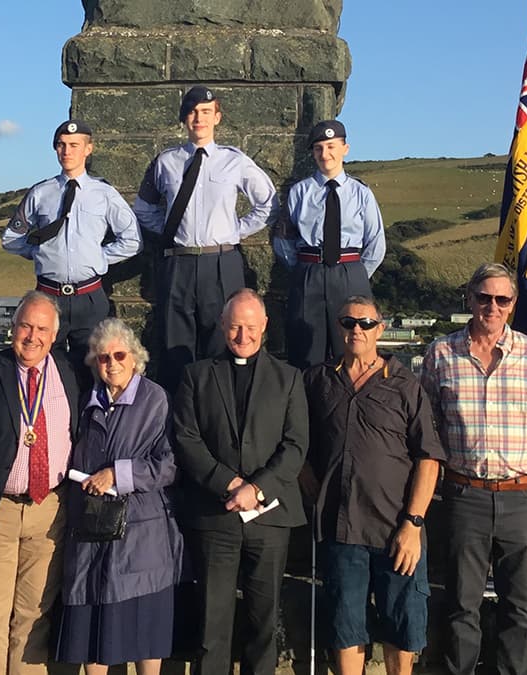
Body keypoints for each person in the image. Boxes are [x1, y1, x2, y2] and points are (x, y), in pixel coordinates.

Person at [420, 263, 527, 675]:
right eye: (484, 297)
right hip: (466, 495)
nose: (492, 307)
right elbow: (430, 424)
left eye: (502, 299)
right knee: (462, 605)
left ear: (513, 304)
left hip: (521, 497)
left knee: (520, 606)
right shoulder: (441, 354)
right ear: (470, 298)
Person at [303, 296, 444, 675]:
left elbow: (428, 458)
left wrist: (413, 524)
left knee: (402, 627)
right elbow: (295, 438)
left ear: (380, 328)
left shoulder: (405, 385)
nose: (357, 330)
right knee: (345, 627)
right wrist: (306, 479)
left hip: (396, 528)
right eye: (349, 322)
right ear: (339, 327)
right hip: (341, 527)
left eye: (366, 323)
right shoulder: (317, 380)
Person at [172, 288, 308, 675]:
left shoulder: (288, 378)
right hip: (214, 516)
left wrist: (257, 488)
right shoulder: (196, 375)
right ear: (222, 326)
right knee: (211, 625)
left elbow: (296, 445)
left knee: (263, 624)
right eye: (234, 327)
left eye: (250, 327)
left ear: (264, 326)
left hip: (270, 518)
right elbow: (186, 438)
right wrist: (229, 483)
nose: (242, 335)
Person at [0, 290, 82, 675]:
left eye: (42, 329)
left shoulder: (72, 372)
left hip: (50, 510)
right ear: (13, 328)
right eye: (25, 326)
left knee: (34, 616)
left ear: (54, 335)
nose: (32, 336)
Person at [55, 318, 183, 675]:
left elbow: (169, 465)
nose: (111, 363)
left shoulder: (156, 399)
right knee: (93, 634)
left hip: (141, 535)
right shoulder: (86, 401)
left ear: (135, 357)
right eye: (103, 357)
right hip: (91, 533)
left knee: (145, 636)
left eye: (119, 355)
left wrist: (117, 474)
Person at [134, 85, 279, 390]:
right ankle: (178, 413)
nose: (199, 118)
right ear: (184, 118)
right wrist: (170, 231)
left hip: (221, 262)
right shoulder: (166, 162)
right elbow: (144, 208)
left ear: (217, 117)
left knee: (223, 343)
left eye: (205, 112)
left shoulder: (234, 161)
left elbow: (268, 204)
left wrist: (234, 231)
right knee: (175, 346)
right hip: (179, 262)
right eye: (192, 112)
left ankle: (220, 412)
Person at [3, 119, 141, 378]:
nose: (67, 151)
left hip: (89, 296)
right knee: (42, 367)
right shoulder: (40, 193)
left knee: (93, 369)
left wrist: (99, 258)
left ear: (88, 149)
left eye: (74, 145)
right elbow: (11, 237)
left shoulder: (104, 194)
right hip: (48, 294)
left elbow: (132, 240)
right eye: (61, 145)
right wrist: (39, 253)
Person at [274, 120, 386, 369]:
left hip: (349, 272)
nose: (325, 154)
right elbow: (283, 239)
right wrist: (302, 270)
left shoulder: (361, 193)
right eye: (319, 148)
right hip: (308, 272)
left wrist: (356, 274)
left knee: (352, 347)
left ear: (345, 149)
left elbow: (376, 242)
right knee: (305, 348)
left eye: (331, 146)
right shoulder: (300, 192)